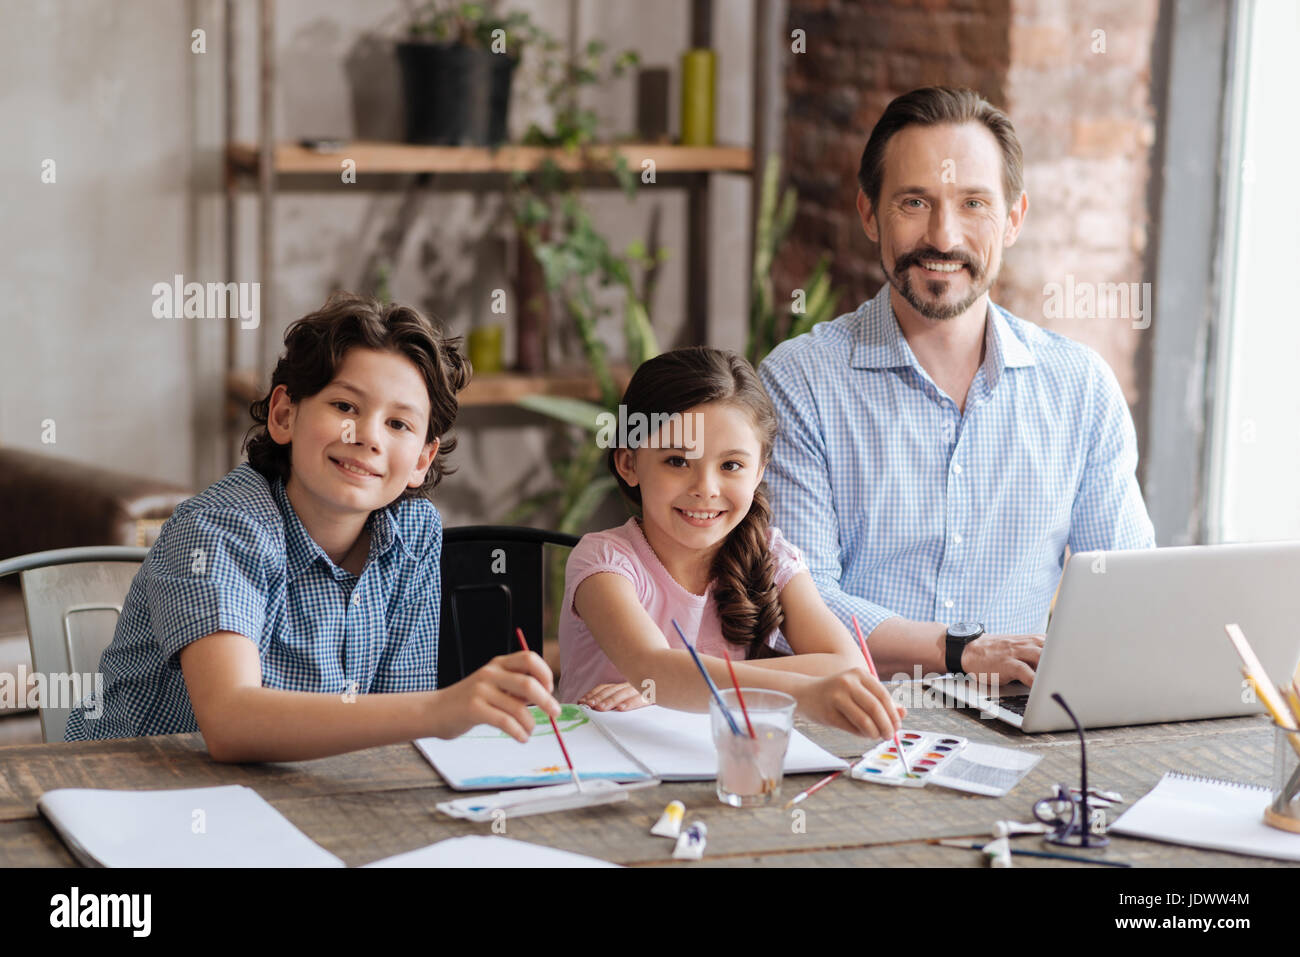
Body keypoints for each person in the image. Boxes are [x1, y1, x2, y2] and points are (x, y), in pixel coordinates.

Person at [759, 86, 1155, 688]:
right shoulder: (800, 381)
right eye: (915, 202)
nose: (943, 237)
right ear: (869, 214)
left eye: (974, 203)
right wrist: (961, 651)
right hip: (854, 721)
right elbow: (797, 603)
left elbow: (1126, 593)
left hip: (1020, 724)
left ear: (1014, 218)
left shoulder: (1081, 388)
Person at [64, 293, 560, 760]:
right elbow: (231, 720)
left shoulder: (414, 531)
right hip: (128, 794)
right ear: (284, 414)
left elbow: (393, 723)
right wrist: (441, 710)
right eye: (345, 407)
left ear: (422, 460)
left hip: (291, 794)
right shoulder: (221, 527)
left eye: (399, 425)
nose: (367, 436)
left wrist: (431, 718)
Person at [559, 347, 904, 739]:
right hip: (605, 768)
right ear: (629, 463)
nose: (705, 489)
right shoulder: (603, 562)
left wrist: (679, 685)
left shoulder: (773, 557)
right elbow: (654, 668)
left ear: (759, 470)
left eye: (731, 466)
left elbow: (847, 666)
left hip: (719, 761)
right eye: (677, 460)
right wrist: (802, 691)